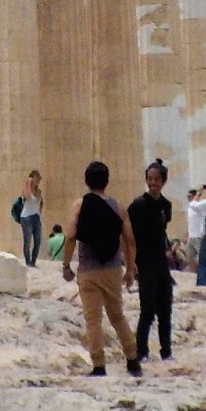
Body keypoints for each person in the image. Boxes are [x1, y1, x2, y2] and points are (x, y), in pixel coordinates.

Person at [61, 160, 142, 377]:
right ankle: (132, 359)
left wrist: (66, 265)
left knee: (93, 319)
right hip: (113, 269)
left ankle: (99, 365)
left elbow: (70, 235)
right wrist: (130, 268)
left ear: (86, 181)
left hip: (88, 270)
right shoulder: (118, 206)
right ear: (107, 181)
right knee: (117, 316)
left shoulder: (79, 205)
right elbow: (130, 240)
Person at [128, 160, 174, 363]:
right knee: (147, 310)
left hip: (161, 263)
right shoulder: (138, 205)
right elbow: (128, 234)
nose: (153, 183)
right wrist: (130, 262)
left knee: (165, 310)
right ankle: (142, 351)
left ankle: (166, 351)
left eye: (156, 179)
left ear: (163, 181)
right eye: (150, 179)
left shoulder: (166, 205)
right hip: (144, 263)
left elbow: (162, 231)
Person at [16, 170, 44, 266]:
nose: (37, 182)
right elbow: (28, 197)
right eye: (36, 179)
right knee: (27, 241)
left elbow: (41, 202)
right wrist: (28, 183)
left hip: (36, 217)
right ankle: (28, 262)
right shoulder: (26, 190)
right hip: (26, 217)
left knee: (38, 241)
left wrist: (39, 212)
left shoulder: (39, 191)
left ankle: (33, 262)